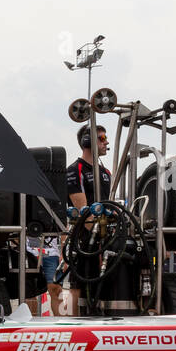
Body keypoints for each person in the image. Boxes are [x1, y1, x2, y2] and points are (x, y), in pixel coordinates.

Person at [59, 124, 112, 314]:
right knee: (77, 286)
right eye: (102, 138)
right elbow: (83, 210)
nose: (107, 142)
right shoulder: (75, 170)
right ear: (87, 141)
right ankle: (74, 329)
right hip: (83, 239)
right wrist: (100, 239)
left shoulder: (106, 173)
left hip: (106, 239)